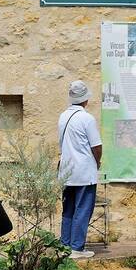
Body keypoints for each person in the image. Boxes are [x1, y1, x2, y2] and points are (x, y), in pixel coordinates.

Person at [57, 80, 102, 260]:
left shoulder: (62, 117)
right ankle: (77, 248)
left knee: (68, 209)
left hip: (67, 171)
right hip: (84, 171)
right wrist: (97, 162)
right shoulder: (87, 118)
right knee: (83, 209)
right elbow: (96, 146)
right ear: (86, 100)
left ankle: (65, 245)